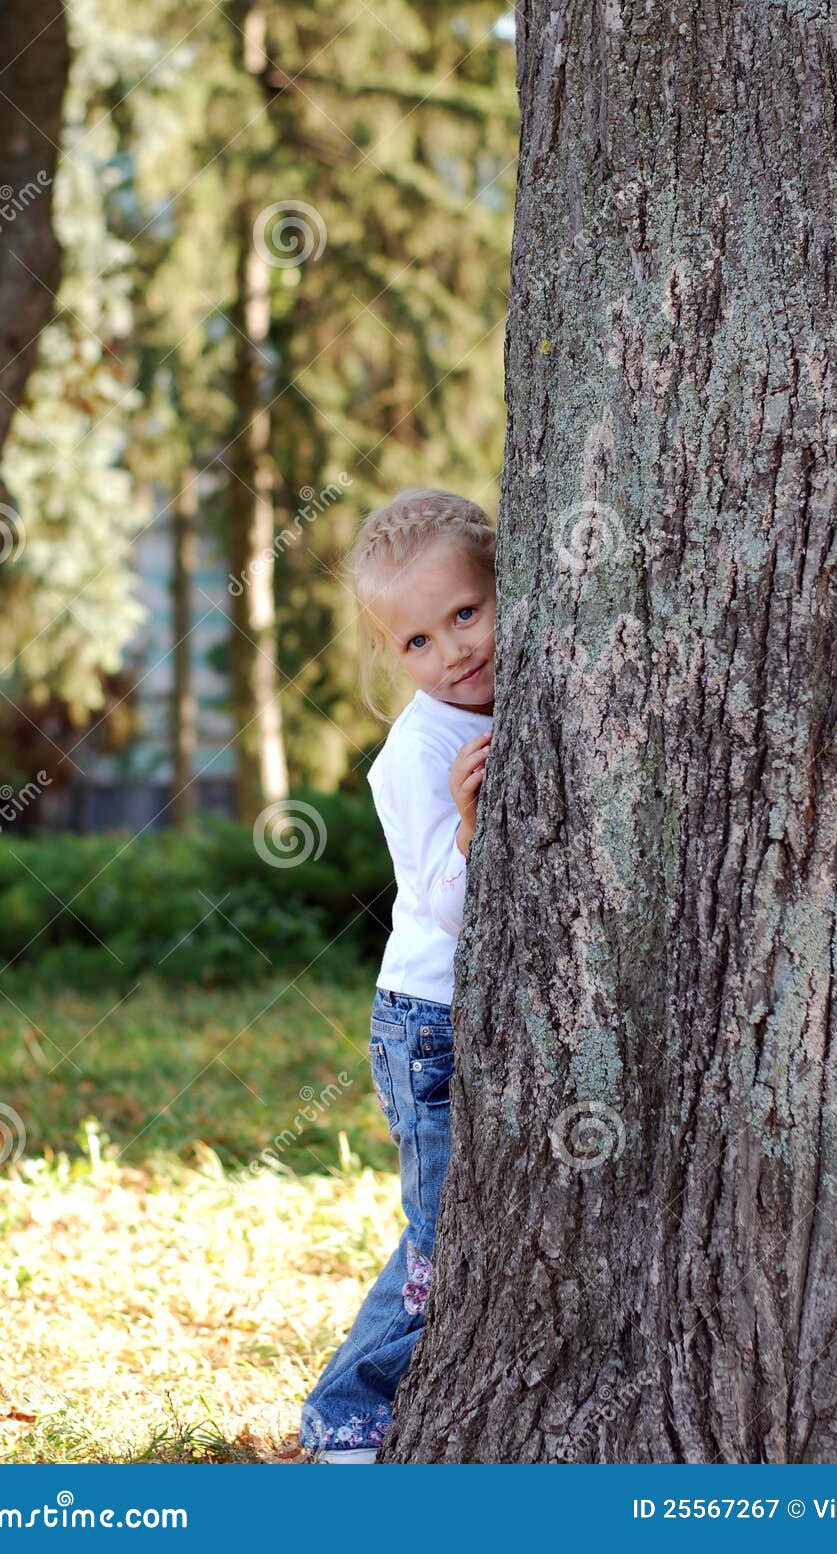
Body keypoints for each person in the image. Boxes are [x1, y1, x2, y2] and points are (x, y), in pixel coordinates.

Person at [299, 487, 495, 1461]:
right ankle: (347, 1409)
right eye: (418, 640)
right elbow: (445, 904)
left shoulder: (515, 697)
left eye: (466, 612)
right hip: (429, 1019)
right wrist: (470, 826)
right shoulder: (419, 754)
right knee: (443, 1229)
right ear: (393, 655)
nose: (453, 651)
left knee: (461, 1214)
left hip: (481, 1016)